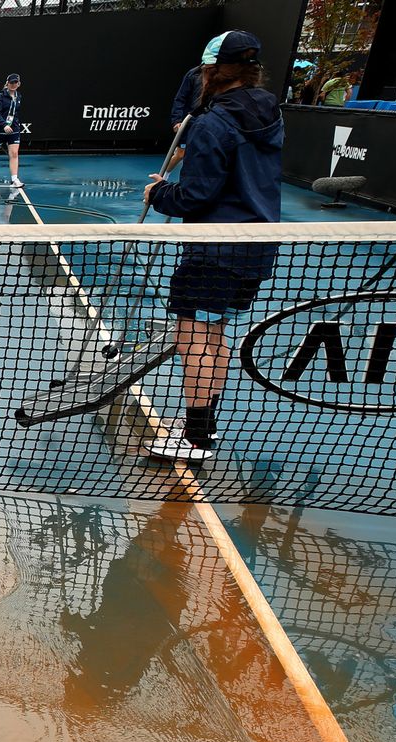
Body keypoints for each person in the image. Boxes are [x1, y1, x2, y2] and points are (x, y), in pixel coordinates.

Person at [141, 30, 283, 463]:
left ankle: (196, 439)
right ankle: (203, 431)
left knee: (195, 338)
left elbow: (195, 196)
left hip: (214, 250)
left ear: (212, 72)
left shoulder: (212, 123)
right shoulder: (271, 112)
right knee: (215, 334)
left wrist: (160, 193)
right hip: (257, 246)